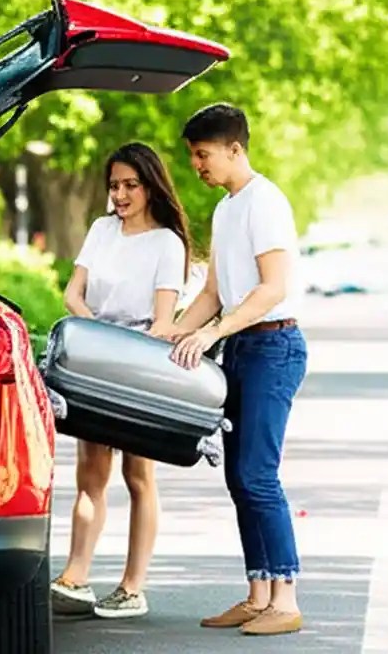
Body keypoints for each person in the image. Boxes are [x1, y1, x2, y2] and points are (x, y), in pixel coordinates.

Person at [167, 103, 308, 637]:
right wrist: (175, 329)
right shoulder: (226, 210)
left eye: (203, 156)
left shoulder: (264, 202)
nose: (197, 167)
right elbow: (212, 293)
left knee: (257, 474)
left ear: (234, 149)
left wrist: (213, 333)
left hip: (275, 347)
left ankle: (286, 596)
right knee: (236, 477)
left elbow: (273, 287)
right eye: (193, 157)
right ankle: (258, 594)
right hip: (242, 348)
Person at [49, 141, 192, 619]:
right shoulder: (101, 229)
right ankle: (75, 577)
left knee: (138, 474)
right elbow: (74, 293)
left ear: (151, 186)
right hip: (93, 355)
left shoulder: (167, 243)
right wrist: (92, 333)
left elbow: (163, 319)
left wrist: (121, 350)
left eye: (131, 185)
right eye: (115, 186)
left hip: (138, 363)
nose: (122, 194)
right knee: (90, 474)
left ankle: (133, 587)